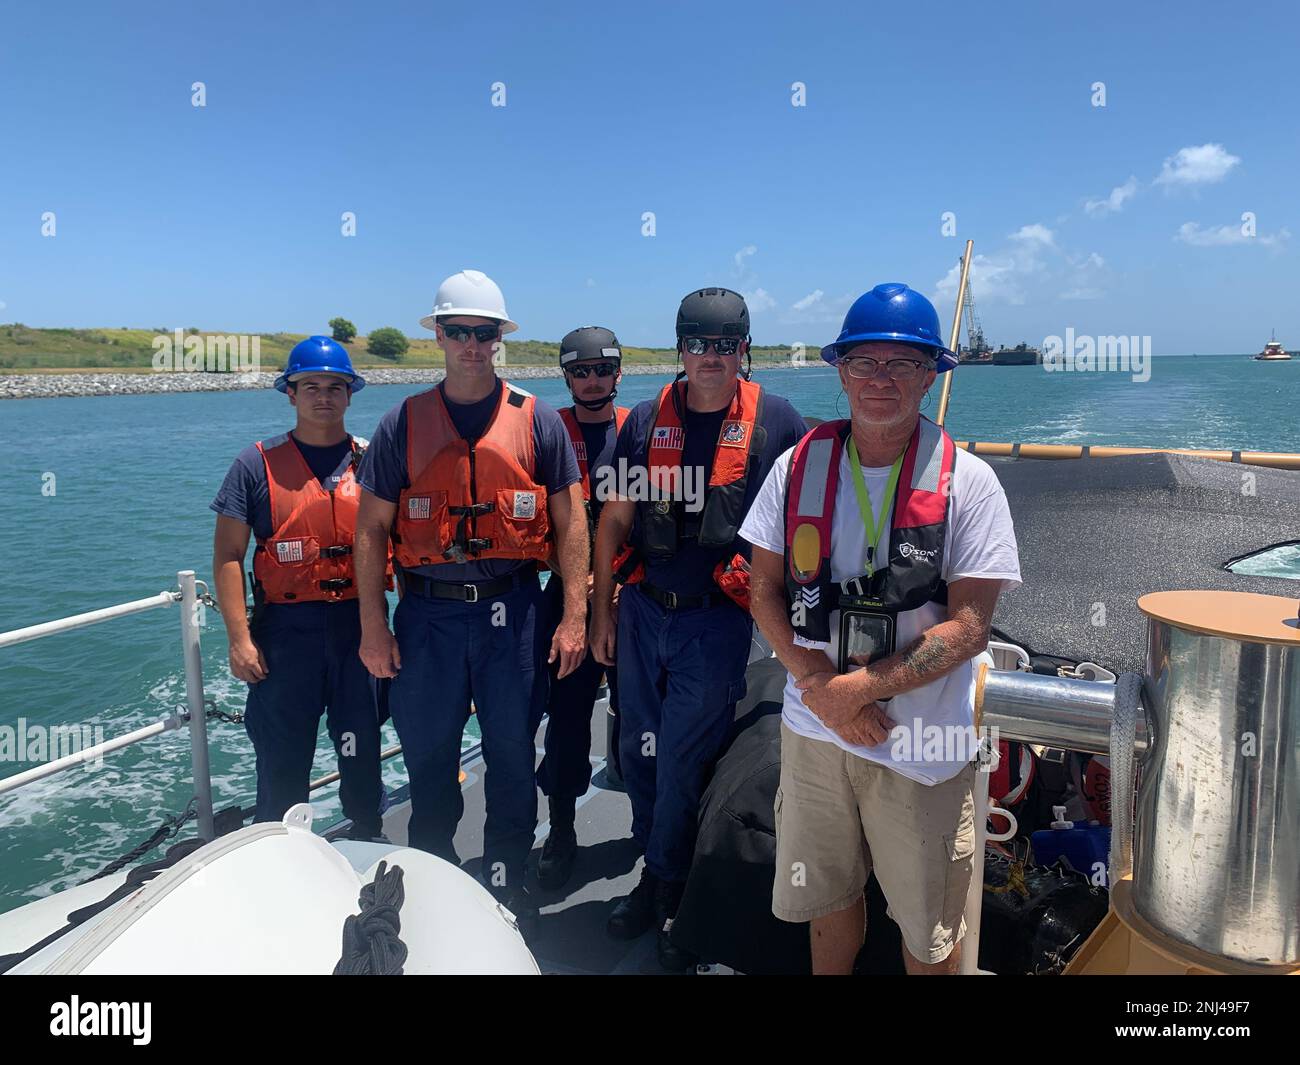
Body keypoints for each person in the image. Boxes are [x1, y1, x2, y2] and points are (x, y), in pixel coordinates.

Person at [740, 283, 1022, 974]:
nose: (881, 380)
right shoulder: (795, 467)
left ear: (931, 375)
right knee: (826, 896)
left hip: (922, 745)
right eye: (865, 362)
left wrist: (856, 689)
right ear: (840, 371)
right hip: (816, 733)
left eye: (903, 365)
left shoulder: (971, 485)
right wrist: (820, 688)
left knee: (929, 929)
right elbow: (763, 589)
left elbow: (971, 627)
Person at [352, 269, 588, 929]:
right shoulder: (401, 423)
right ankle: (431, 875)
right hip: (426, 615)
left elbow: (573, 523)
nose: (472, 344)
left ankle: (506, 882)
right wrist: (374, 626)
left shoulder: (537, 421)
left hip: (513, 613)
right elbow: (369, 529)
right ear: (439, 336)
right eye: (459, 331)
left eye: (484, 333)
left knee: (513, 751)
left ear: (499, 339)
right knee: (429, 753)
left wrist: (572, 617)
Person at [590, 287, 807, 970]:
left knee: (684, 755)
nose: (710, 358)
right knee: (638, 750)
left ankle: (675, 886)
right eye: (697, 344)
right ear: (679, 348)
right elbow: (616, 518)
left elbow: (808, 526)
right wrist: (599, 609)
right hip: (643, 611)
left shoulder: (777, 422)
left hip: (716, 622)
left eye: (725, 345)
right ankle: (656, 868)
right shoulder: (646, 418)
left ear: (744, 349)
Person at [211, 335, 385, 840]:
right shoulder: (255, 464)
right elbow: (228, 555)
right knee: (284, 755)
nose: (323, 396)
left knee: (361, 744)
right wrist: (239, 640)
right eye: (310, 386)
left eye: (335, 386)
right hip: (286, 634)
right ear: (290, 393)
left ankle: (368, 833)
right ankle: (280, 849)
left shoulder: (373, 461)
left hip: (360, 625)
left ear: (351, 393)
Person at [535, 327, 631, 890]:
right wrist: (578, 582)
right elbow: (533, 517)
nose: (592, 380)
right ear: (565, 376)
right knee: (567, 717)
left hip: (632, 594)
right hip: (567, 596)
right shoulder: (548, 432)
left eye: (602, 369)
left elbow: (656, 512)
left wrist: (618, 581)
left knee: (640, 713)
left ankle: (650, 822)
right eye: (580, 370)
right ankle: (562, 830)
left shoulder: (640, 432)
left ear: (617, 373)